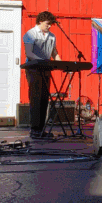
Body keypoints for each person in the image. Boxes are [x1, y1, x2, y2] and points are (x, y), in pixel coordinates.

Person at [23, 11, 61, 139]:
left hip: (46, 68)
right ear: (40, 21)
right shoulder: (30, 34)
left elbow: (54, 53)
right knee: (35, 97)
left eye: (51, 24)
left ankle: (41, 129)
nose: (49, 26)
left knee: (44, 98)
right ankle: (34, 129)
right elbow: (29, 53)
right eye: (47, 24)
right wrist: (42, 60)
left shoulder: (52, 36)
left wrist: (61, 63)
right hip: (33, 68)